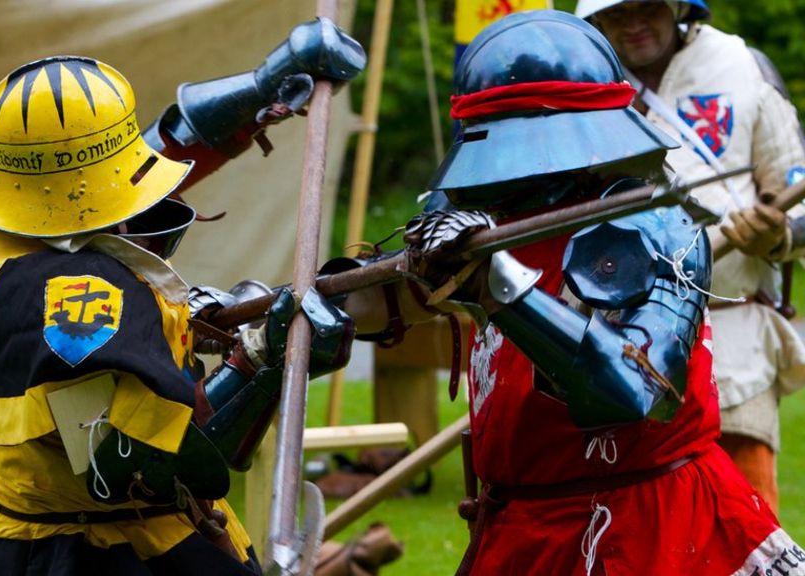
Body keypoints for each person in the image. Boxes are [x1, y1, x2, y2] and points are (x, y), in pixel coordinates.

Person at [338, 10, 804, 575]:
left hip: (651, 527)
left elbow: (638, 387)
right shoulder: (484, 213)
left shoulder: (652, 223)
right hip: (525, 530)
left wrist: (496, 286)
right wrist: (296, 316)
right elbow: (385, 299)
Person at [0, 21, 363, 575]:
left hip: (19, 530)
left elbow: (156, 148)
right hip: (101, 551)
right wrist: (263, 360)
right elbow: (147, 464)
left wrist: (262, 87)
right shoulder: (78, 297)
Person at [574, 0, 805, 512]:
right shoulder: (579, 88)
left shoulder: (742, 66)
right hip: (620, 347)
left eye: (649, 7)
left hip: (735, 337)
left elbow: (798, 198)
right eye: (618, 12)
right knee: (637, 524)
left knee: (746, 519)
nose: (635, 23)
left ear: (679, 5)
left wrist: (777, 234)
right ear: (596, 22)